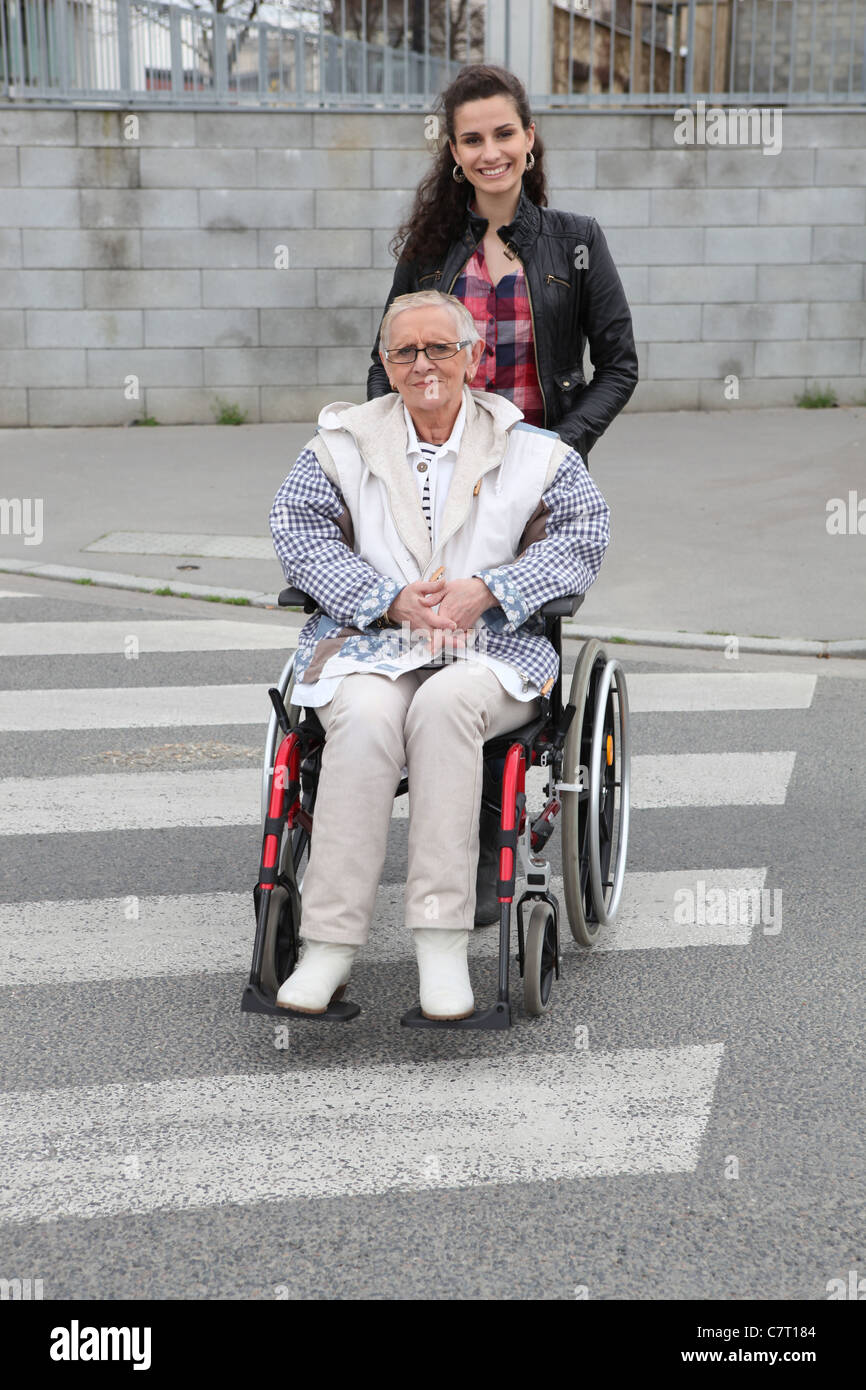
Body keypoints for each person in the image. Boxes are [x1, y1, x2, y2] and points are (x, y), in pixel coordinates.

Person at [269, 290, 610, 1021]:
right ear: (385, 365)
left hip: (494, 648)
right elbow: (298, 533)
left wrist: (490, 588)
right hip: (373, 640)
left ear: (474, 357)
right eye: (405, 352)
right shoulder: (339, 445)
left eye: (440, 349)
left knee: (445, 705)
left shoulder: (533, 451)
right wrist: (387, 597)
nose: (424, 365)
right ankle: (327, 946)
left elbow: (582, 539)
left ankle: (440, 942)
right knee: (360, 718)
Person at [367, 63, 637, 924]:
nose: (491, 151)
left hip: (532, 486)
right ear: (453, 152)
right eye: (472, 139)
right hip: (439, 478)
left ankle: (488, 847)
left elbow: (619, 365)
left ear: (530, 139)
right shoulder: (428, 254)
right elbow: (385, 368)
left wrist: (559, 446)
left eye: (503, 134)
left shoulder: (574, 239)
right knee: (439, 639)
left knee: (504, 643)